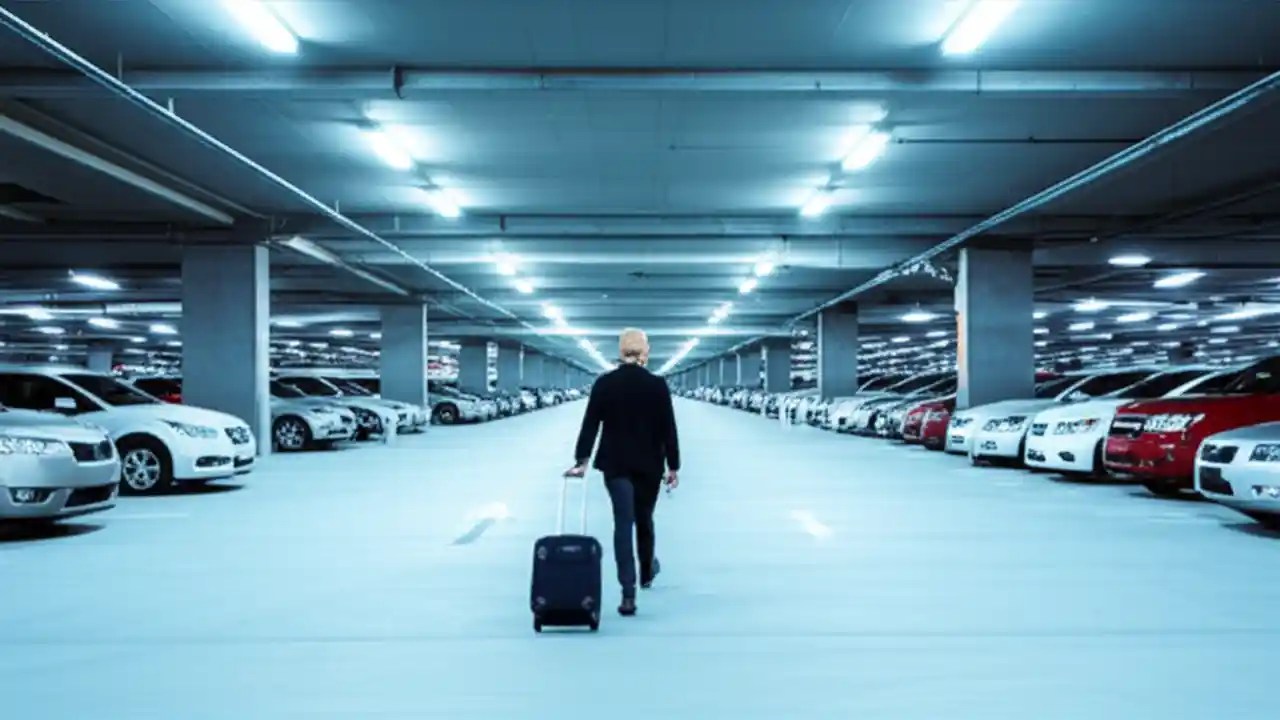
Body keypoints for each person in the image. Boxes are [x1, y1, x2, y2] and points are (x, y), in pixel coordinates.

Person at [565, 327, 680, 617]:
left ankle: (627, 594)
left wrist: (581, 459)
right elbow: (669, 428)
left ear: (620, 351)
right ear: (644, 351)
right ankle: (646, 573)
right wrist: (673, 466)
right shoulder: (657, 385)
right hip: (650, 464)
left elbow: (591, 423)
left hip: (615, 464)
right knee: (645, 518)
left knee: (622, 523)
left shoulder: (605, 384)